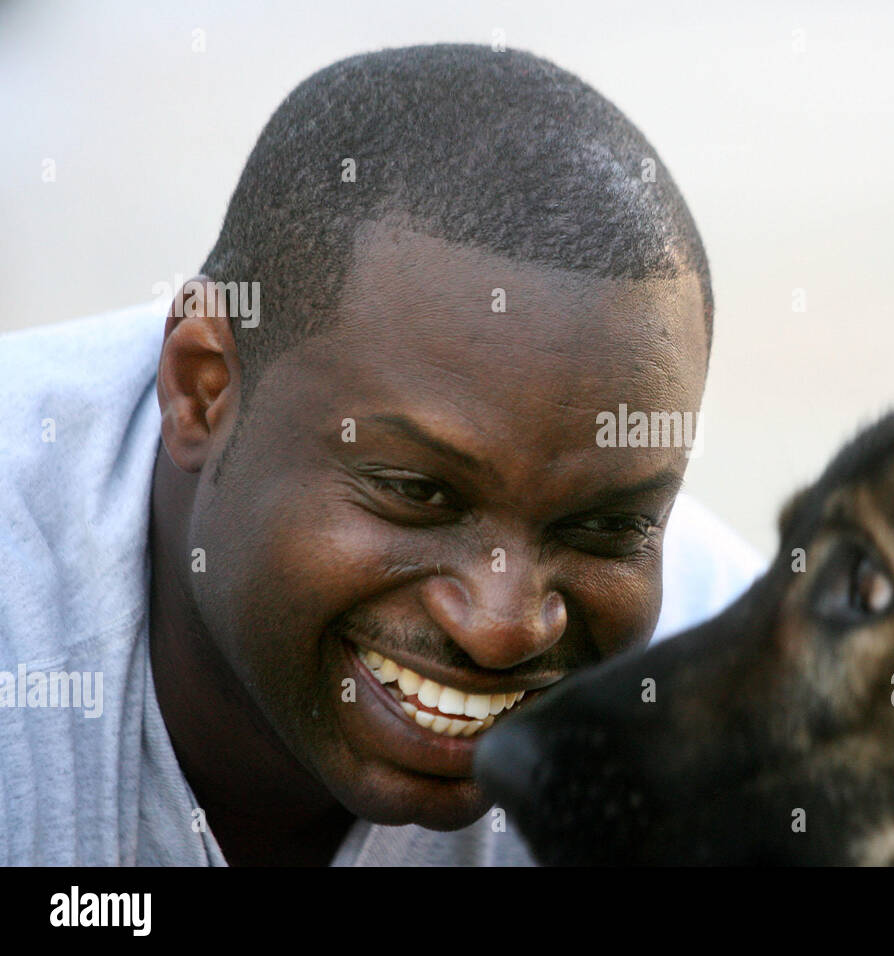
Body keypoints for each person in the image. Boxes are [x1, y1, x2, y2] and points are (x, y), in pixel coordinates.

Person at [0, 45, 763, 865]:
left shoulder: (730, 704)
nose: (503, 628)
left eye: (607, 527)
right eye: (417, 491)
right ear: (203, 391)